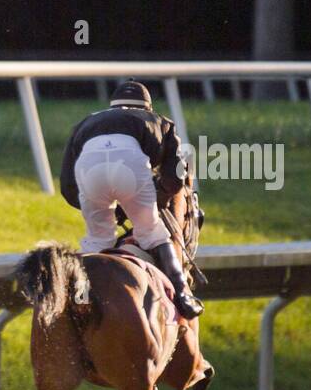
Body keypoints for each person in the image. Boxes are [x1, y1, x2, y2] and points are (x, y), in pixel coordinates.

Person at [59, 80, 204, 318]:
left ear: (112, 106)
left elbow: (68, 187)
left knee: (97, 241)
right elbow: (174, 179)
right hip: (130, 165)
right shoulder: (160, 122)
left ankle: (78, 297)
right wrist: (153, 202)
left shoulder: (85, 123)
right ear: (146, 107)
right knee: (152, 232)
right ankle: (183, 295)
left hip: (88, 170)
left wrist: (112, 210)